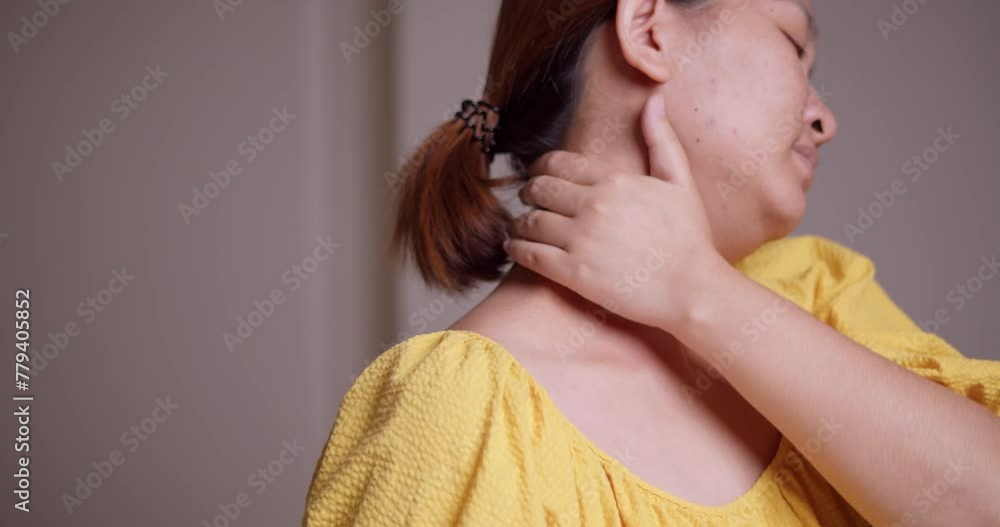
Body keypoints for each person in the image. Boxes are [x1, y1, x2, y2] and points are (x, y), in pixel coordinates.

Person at [303, 0, 1000, 525]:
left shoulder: (819, 291)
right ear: (648, 28)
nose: (825, 117)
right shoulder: (462, 412)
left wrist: (700, 292)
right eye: (793, 44)